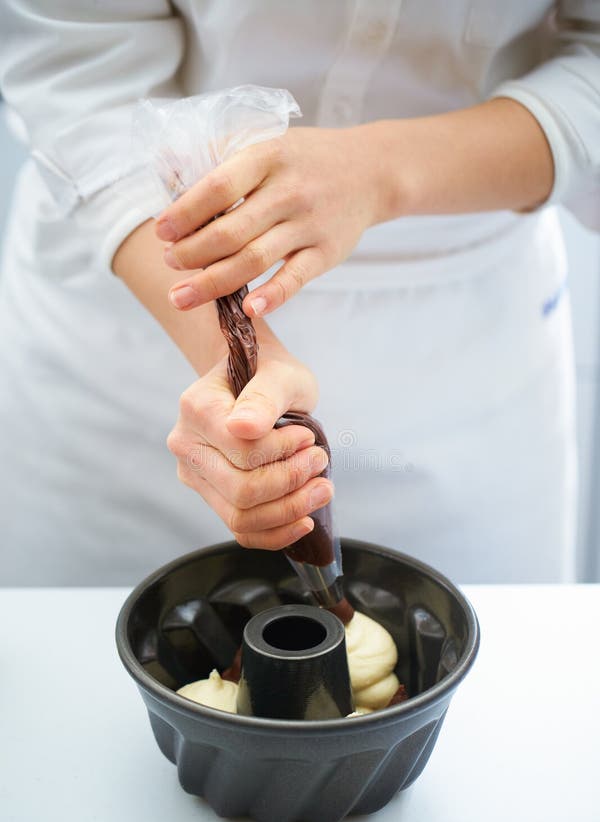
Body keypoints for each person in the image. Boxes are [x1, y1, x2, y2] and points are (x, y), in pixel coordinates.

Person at [1, 1, 599, 587]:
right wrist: (236, 359)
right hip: (127, 315)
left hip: (465, 346)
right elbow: (71, 66)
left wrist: (379, 170)